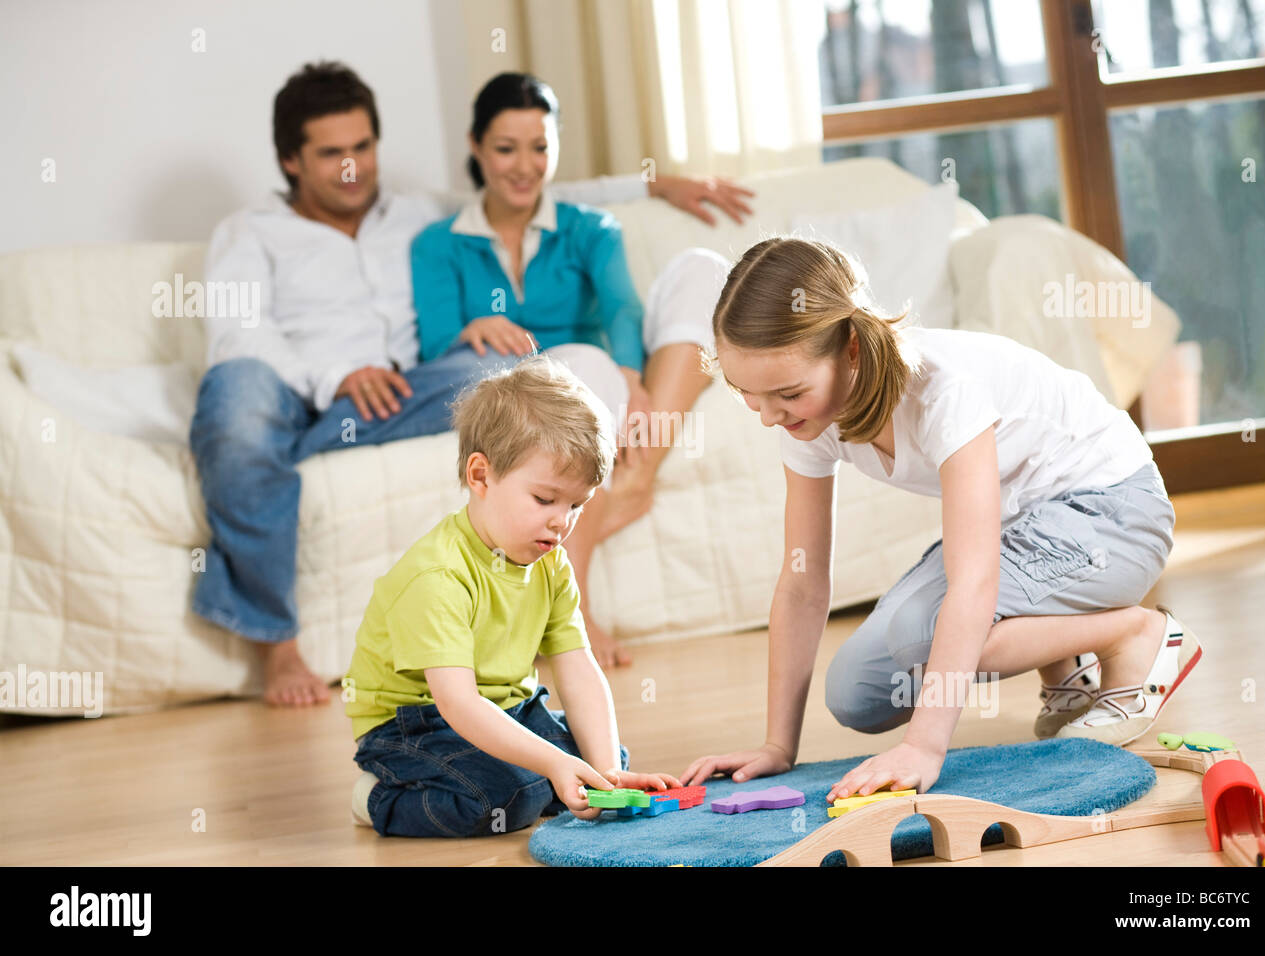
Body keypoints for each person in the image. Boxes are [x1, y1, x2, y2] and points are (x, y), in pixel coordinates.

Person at [190, 62, 756, 707]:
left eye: (363, 148)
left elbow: (530, 182)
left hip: (411, 394)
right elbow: (240, 334)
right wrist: (336, 376)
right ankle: (278, 646)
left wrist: (658, 182)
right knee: (234, 400)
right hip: (299, 396)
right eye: (330, 154)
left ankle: (608, 508)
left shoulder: (416, 212)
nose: (352, 168)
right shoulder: (249, 232)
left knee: (541, 369)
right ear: (291, 160)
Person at [680, 237, 1203, 803]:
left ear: (851, 348)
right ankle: (1062, 658)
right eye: (748, 395)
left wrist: (924, 747)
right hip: (1027, 527)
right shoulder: (801, 420)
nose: (769, 416)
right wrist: (777, 746)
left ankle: (1135, 633)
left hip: (1116, 513)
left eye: (786, 393)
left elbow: (974, 583)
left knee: (920, 635)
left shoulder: (941, 389)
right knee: (854, 691)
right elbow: (803, 584)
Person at [411, 72, 738, 669]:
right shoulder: (437, 243)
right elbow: (434, 340)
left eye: (540, 148)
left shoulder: (590, 227)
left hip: (610, 379)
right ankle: (574, 615)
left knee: (705, 269)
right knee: (583, 367)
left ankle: (636, 479)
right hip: (545, 386)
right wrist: (469, 331)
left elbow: (620, 307)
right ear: (476, 147)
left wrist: (632, 374)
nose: (524, 166)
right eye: (505, 149)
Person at [345, 357, 680, 836]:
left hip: (506, 705)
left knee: (601, 760)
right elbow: (458, 704)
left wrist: (607, 772)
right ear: (480, 476)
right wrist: (551, 765)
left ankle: (552, 777)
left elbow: (577, 665)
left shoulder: (550, 563)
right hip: (415, 723)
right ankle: (377, 797)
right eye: (545, 500)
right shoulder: (438, 575)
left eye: (576, 505)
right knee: (507, 796)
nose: (561, 521)